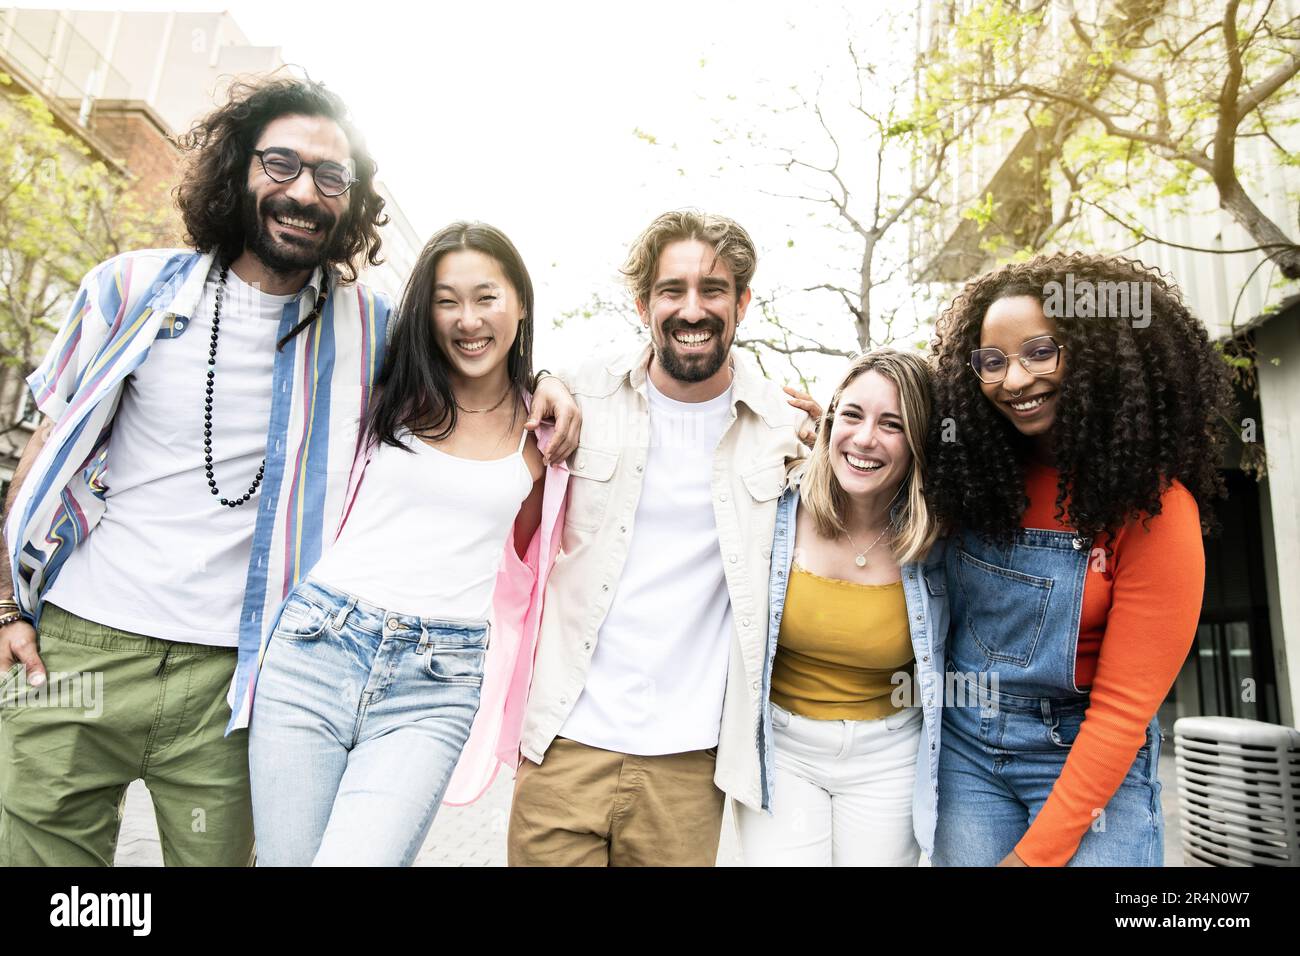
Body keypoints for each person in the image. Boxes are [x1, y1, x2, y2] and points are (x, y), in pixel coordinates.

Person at [0, 75, 392, 866]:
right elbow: (45, 445)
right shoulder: (128, 287)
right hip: (80, 649)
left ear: (350, 203)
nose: (304, 192)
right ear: (237, 170)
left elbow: (483, 376)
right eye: (280, 164)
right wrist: (5, 607)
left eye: (330, 177)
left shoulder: (376, 328)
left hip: (242, 683)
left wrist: (549, 384)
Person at [247, 221, 569, 865]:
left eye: (486, 297)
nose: (467, 319)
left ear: (521, 303)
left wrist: (554, 378)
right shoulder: (385, 381)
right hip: (316, 643)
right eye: (446, 300)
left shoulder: (547, 429)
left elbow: (530, 565)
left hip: (437, 678)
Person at [506, 209, 817, 867]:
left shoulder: (780, 427)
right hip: (565, 743)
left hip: (689, 765)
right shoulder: (583, 392)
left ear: (742, 302)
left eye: (713, 290)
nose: (692, 308)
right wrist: (543, 380)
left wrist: (837, 445)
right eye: (672, 290)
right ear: (644, 302)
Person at [926, 253, 1232, 866]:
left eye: (1041, 352)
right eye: (993, 361)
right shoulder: (969, 480)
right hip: (965, 752)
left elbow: (1121, 713)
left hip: (1088, 762)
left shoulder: (1155, 510)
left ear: (1097, 358)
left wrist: (1031, 859)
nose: (1014, 380)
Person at [735, 348, 948, 866]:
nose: (864, 438)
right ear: (829, 421)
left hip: (890, 755)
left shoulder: (939, 538)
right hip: (783, 750)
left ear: (918, 440)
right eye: (851, 415)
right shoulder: (777, 502)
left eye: (891, 424)